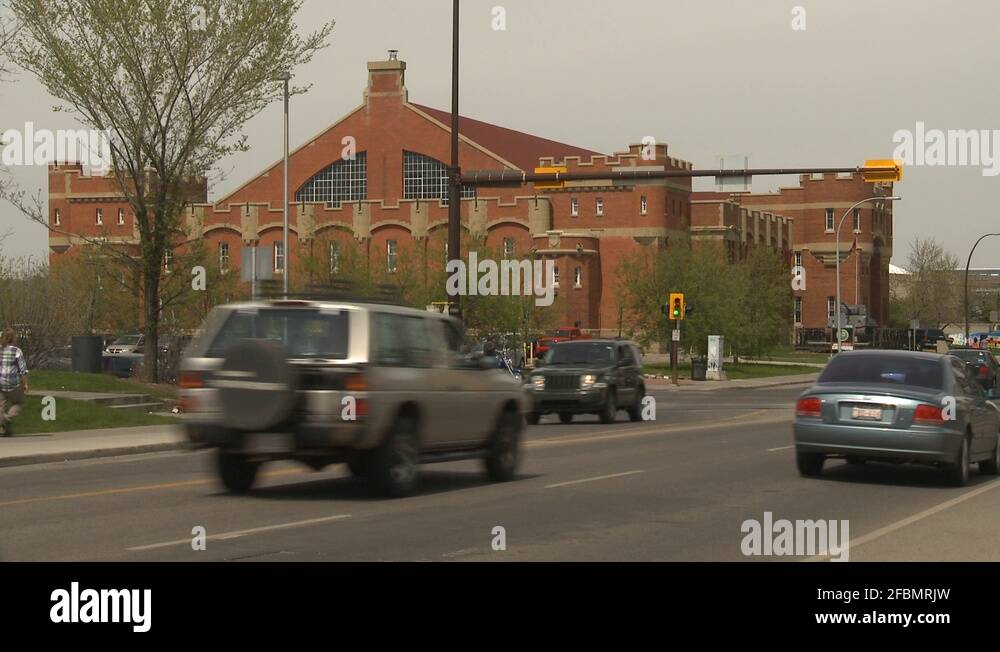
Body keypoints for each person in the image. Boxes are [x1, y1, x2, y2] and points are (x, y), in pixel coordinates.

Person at [0, 328, 28, 437]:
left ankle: (6, 428)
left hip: (0, 383)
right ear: (13, 338)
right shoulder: (16, 351)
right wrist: (25, 384)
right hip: (13, 383)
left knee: (1, 406)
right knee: (18, 402)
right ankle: (7, 418)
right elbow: (23, 369)